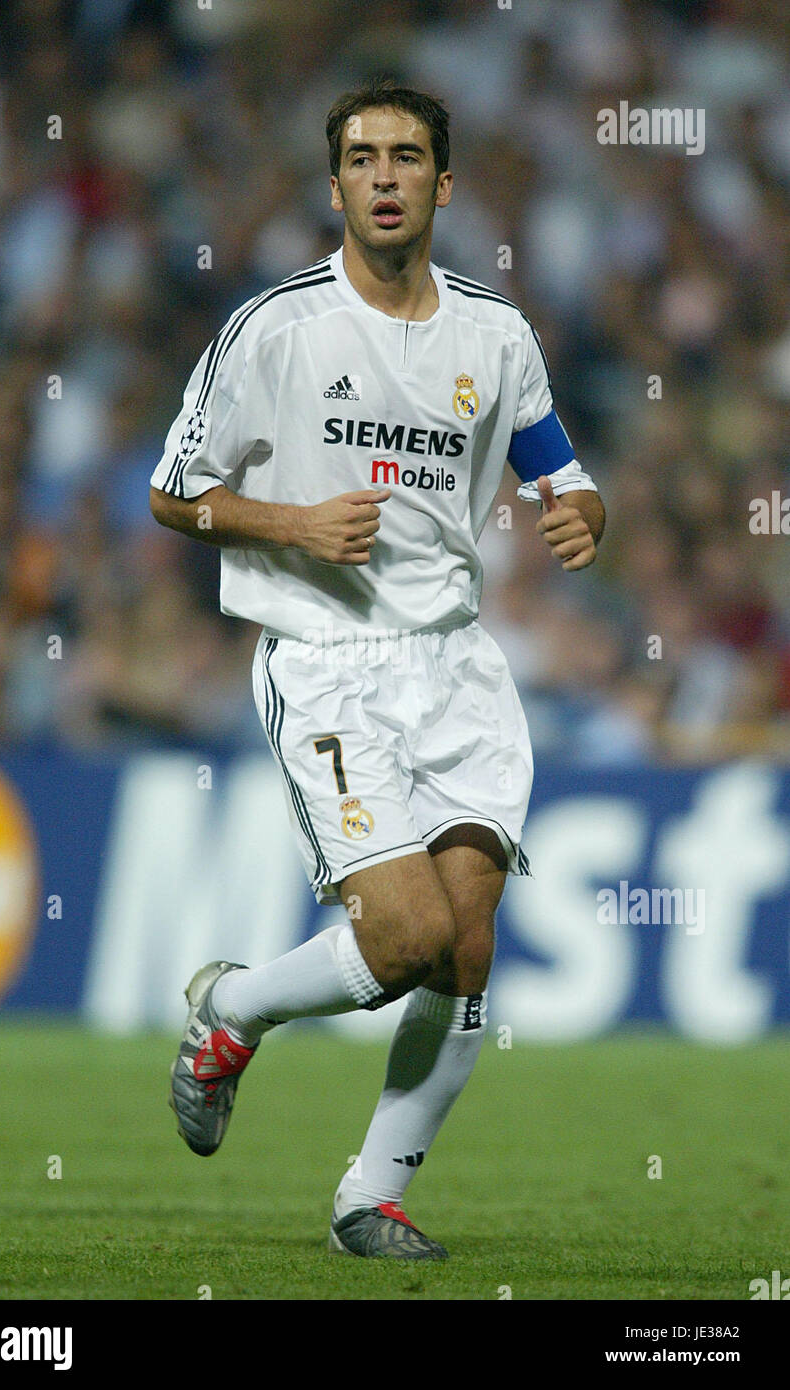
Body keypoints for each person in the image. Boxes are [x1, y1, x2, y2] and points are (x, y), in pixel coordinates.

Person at [149, 78, 605, 1260]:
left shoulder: (493, 334)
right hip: (327, 662)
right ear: (336, 181)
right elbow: (170, 493)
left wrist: (580, 515)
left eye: (408, 157)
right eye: (362, 158)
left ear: (443, 184)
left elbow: (561, 470)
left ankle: (371, 1197)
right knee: (398, 938)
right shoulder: (276, 328)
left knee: (466, 945)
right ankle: (229, 1012)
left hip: (453, 661)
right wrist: (291, 525)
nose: (386, 176)